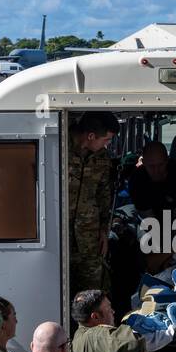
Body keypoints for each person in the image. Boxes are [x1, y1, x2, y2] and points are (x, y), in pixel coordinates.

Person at [68, 111, 118, 295]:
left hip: (89, 237)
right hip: (60, 238)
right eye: (106, 139)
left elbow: (104, 195)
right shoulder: (59, 148)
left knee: (94, 291)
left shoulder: (101, 158)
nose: (107, 144)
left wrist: (104, 230)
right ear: (90, 136)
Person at [128, 140, 176, 219]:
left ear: (167, 161)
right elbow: (146, 215)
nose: (157, 171)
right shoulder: (137, 179)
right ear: (144, 163)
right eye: (151, 166)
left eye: (161, 165)